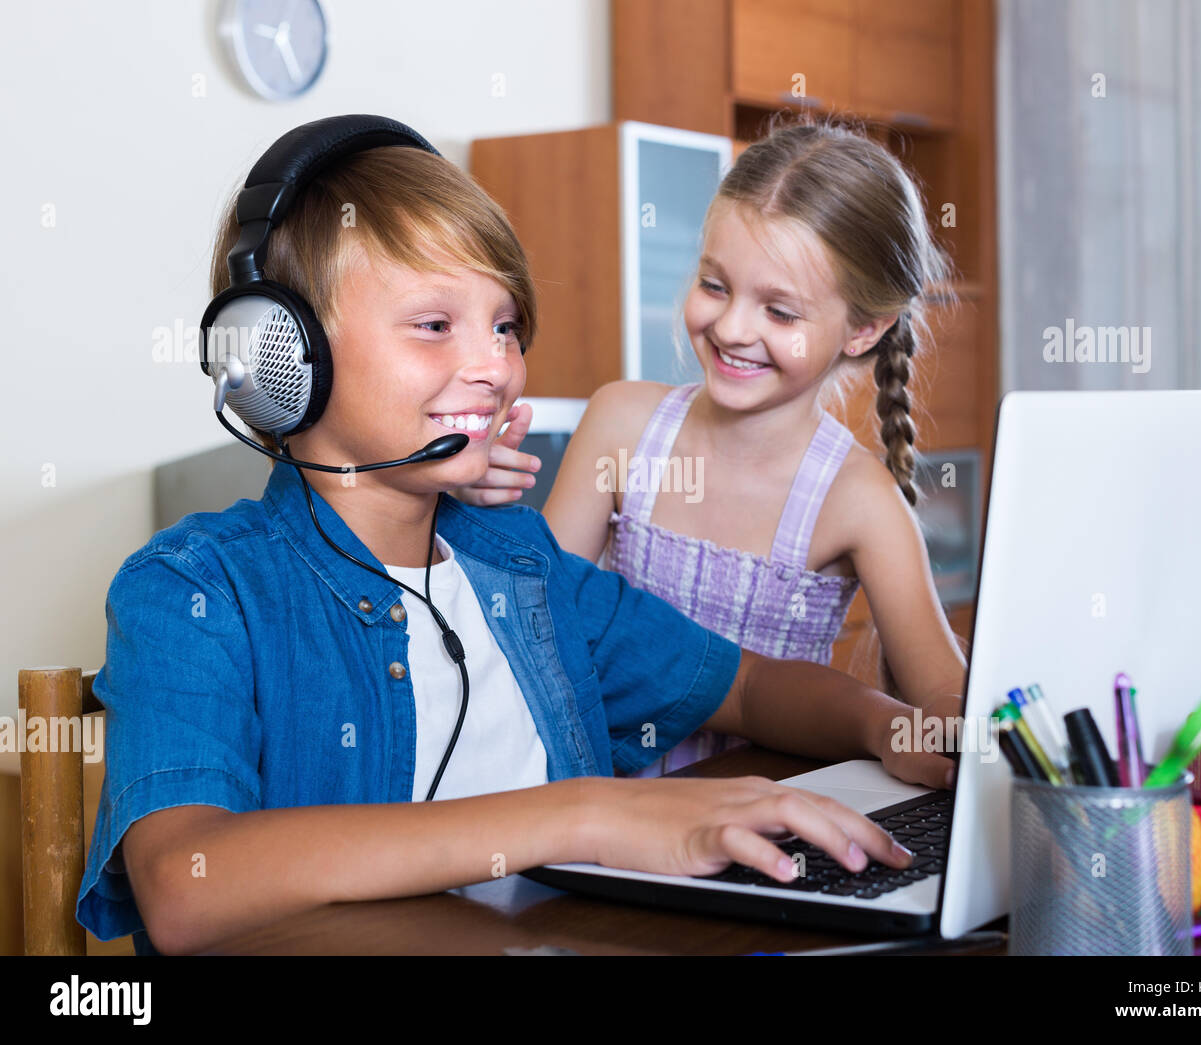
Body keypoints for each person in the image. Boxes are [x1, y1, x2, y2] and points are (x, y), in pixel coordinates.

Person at [76, 125, 955, 956]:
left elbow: (750, 685)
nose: (495, 366)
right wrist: (580, 814)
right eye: (435, 325)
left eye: (504, 326)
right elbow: (184, 883)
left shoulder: (524, 568)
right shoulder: (195, 589)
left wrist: (881, 725)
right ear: (280, 355)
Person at [456, 119, 969, 776]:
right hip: (613, 806)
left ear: (864, 329)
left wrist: (962, 724)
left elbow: (943, 693)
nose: (731, 327)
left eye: (779, 312)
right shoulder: (621, 424)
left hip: (765, 814)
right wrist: (473, 510)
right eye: (715, 285)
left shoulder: (858, 498)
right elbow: (537, 627)